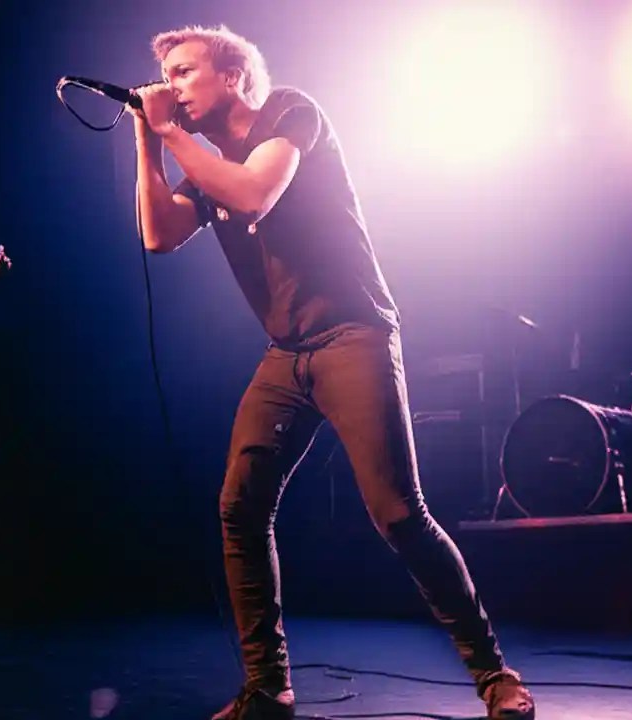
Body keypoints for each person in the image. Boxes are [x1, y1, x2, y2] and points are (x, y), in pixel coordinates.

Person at [130, 25, 536, 720]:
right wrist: (147, 137)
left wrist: (171, 137)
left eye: (184, 70)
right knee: (240, 508)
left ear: (232, 76)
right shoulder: (207, 156)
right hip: (288, 353)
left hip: (354, 335)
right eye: (164, 74)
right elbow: (158, 234)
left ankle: (494, 675)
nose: (170, 86)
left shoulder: (292, 114)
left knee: (400, 515)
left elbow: (255, 194)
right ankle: (267, 688)